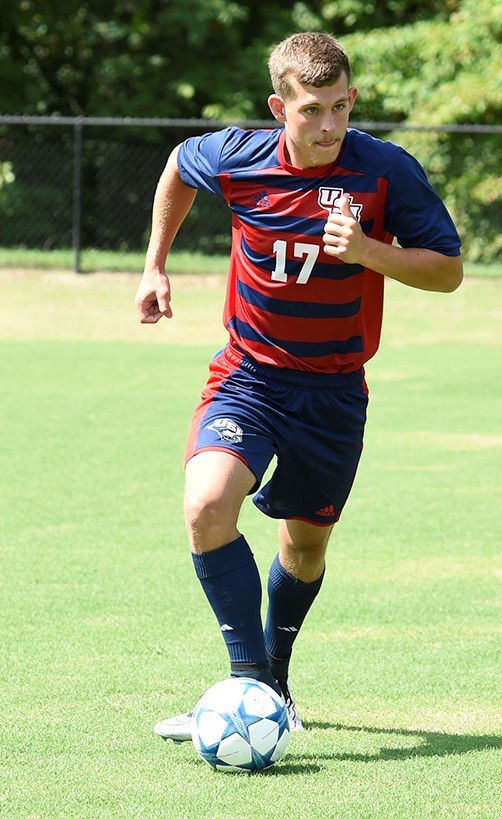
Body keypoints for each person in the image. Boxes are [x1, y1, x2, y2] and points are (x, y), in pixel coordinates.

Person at [136, 31, 463, 742]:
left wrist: (369, 251)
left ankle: (276, 681)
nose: (329, 126)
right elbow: (179, 165)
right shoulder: (239, 157)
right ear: (277, 106)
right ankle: (247, 685)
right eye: (312, 109)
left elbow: (447, 270)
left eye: (341, 107)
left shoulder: (385, 172)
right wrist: (154, 264)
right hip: (248, 376)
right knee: (206, 505)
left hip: (334, 392)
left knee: (305, 546)